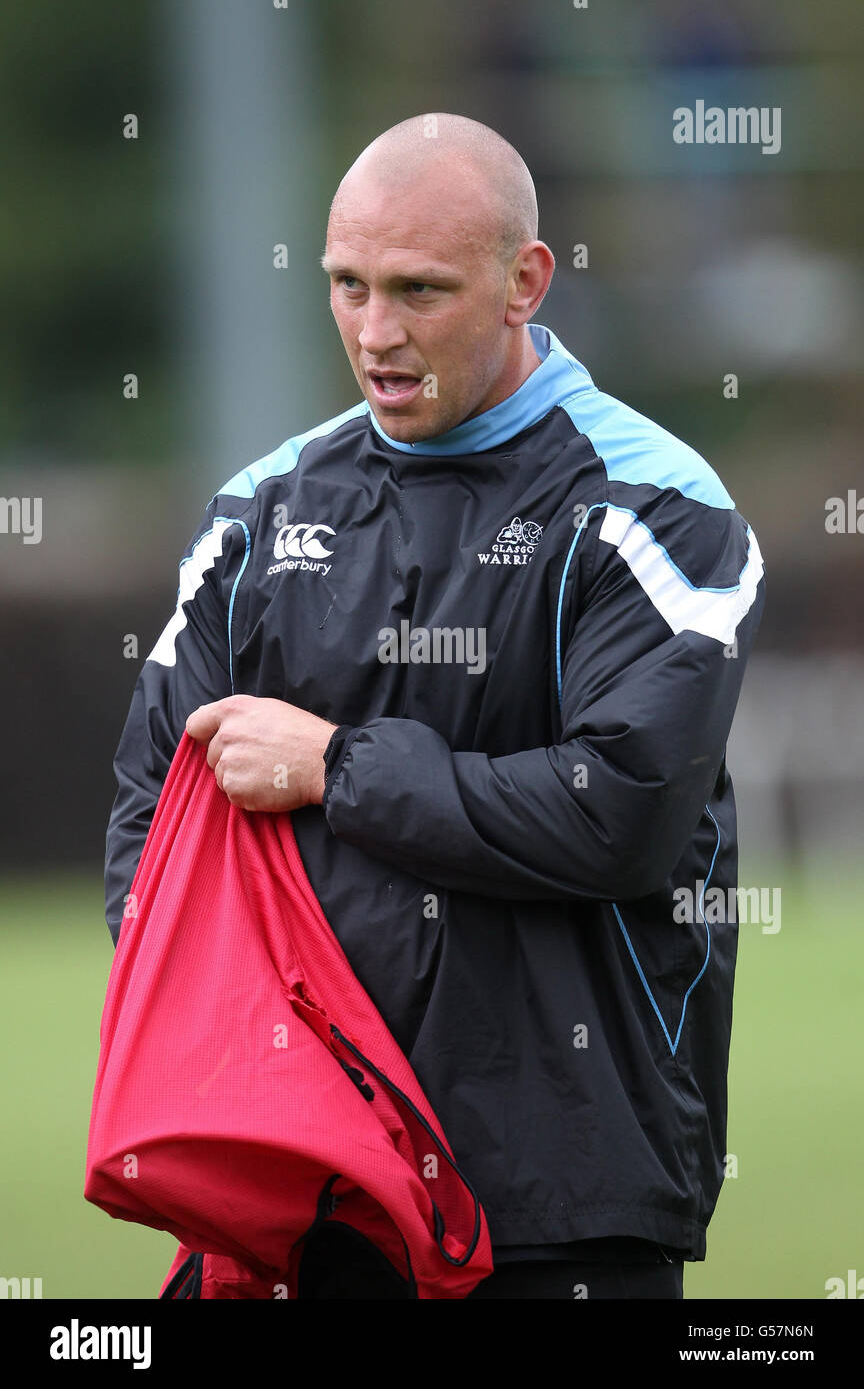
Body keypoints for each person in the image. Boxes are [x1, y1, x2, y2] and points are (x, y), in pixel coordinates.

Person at [105, 113, 765, 1300]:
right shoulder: (257, 512)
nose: (375, 333)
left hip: (561, 1201)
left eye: (418, 290)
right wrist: (257, 1096)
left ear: (525, 282)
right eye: (347, 285)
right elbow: (153, 848)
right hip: (307, 1189)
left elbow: (619, 814)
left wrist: (336, 768)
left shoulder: (653, 503)